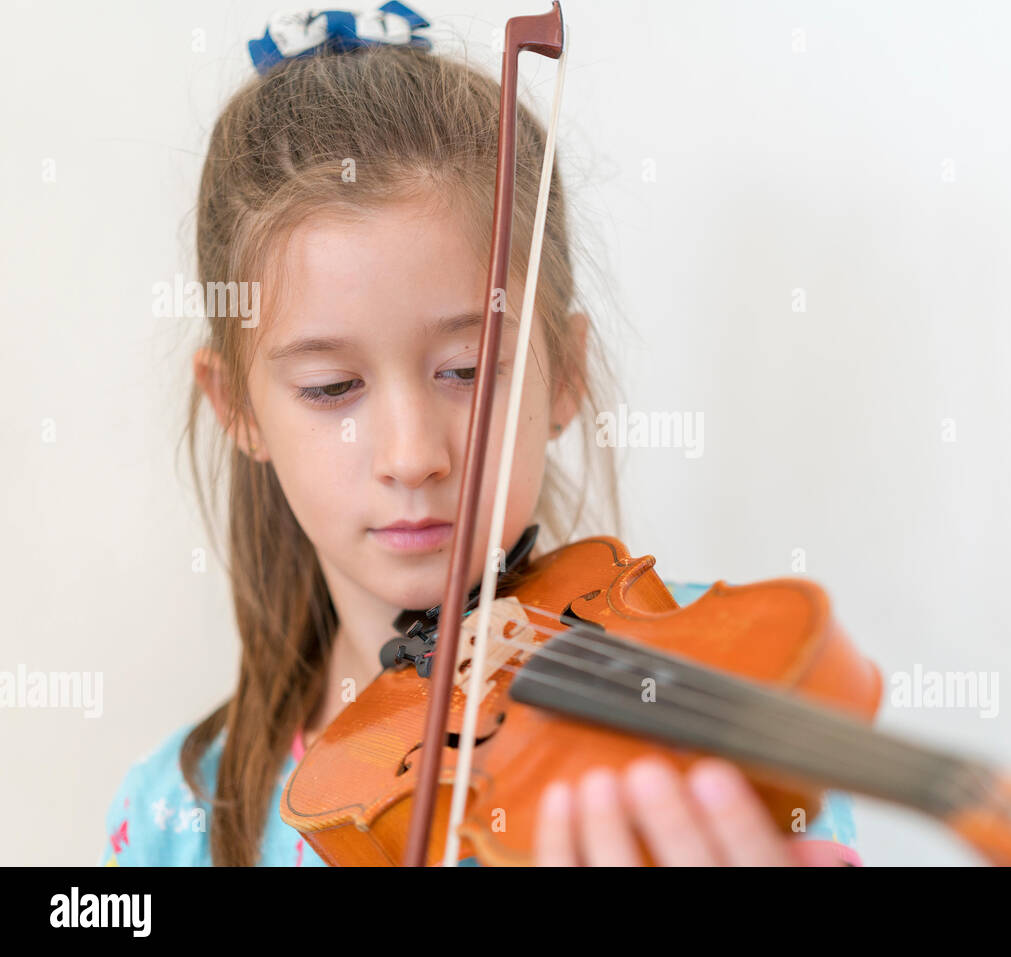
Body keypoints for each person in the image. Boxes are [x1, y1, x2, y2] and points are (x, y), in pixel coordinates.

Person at [101, 3, 870, 867]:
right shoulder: (180, 814)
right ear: (236, 405)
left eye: (466, 370)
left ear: (566, 374)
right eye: (332, 387)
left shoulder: (714, 698)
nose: (412, 456)